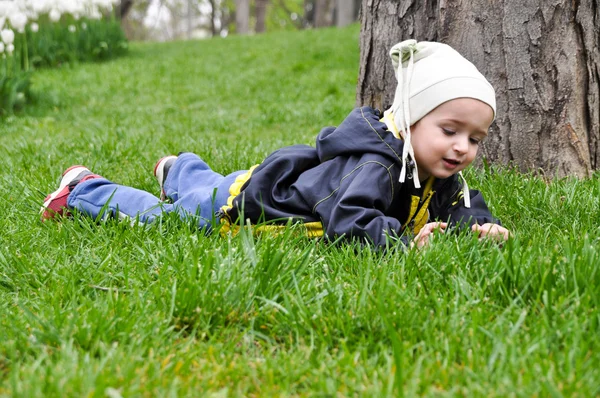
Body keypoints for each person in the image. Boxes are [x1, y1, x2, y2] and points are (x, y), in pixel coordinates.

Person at [40, 39, 510, 249]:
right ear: (408, 122)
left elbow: (461, 203)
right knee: (167, 220)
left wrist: (478, 226)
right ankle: (84, 189)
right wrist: (404, 244)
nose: (461, 147)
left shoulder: (435, 171)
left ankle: (179, 169)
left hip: (262, 184)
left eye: (474, 138)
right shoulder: (380, 167)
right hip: (248, 213)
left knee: (212, 184)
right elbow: (348, 221)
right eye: (449, 131)